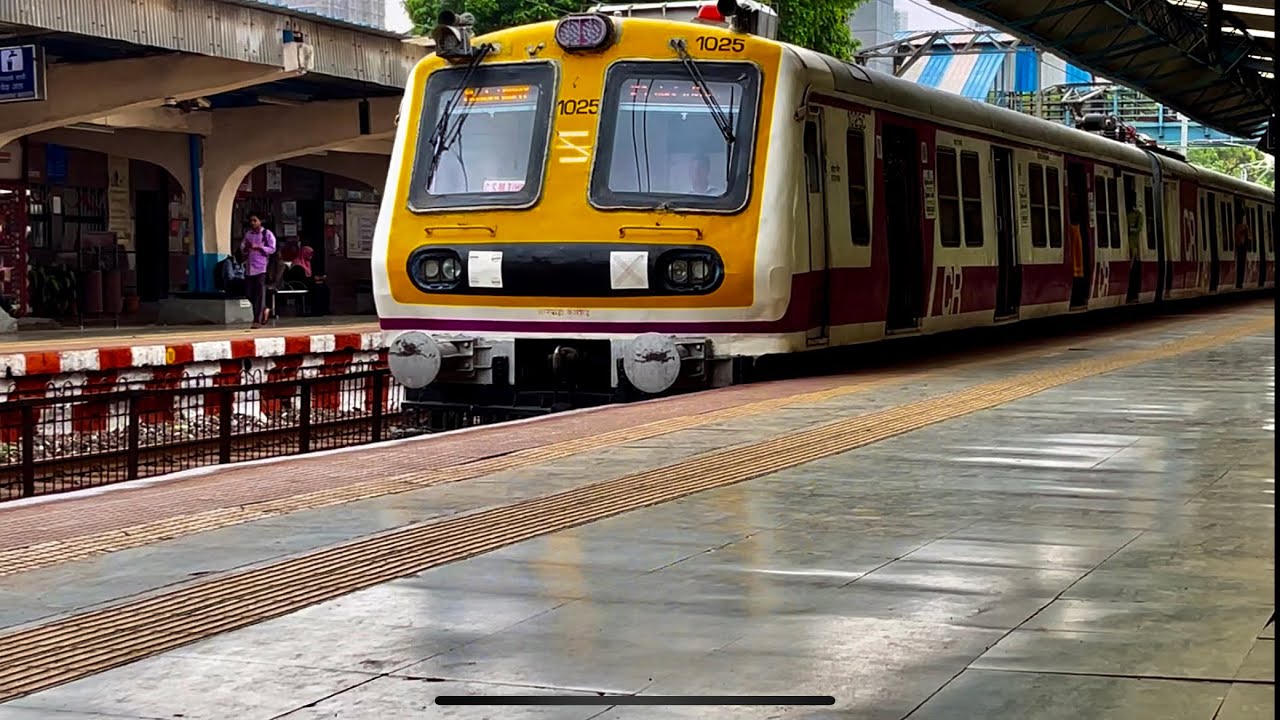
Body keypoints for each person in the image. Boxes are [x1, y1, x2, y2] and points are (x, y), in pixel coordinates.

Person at [240, 213, 276, 327]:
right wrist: (246, 248)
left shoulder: (267, 234)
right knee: (249, 293)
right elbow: (242, 248)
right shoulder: (248, 234)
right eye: (251, 220)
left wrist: (260, 247)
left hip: (262, 268)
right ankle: (264, 309)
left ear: (260, 221)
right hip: (250, 268)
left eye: (255, 220)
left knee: (259, 294)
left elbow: (272, 249)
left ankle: (257, 319)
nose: (253, 223)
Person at [1125, 185, 1143, 302]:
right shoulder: (1124, 212)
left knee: (1132, 267)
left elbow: (1139, 228)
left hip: (1133, 245)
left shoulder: (1138, 214)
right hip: (1127, 244)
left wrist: (1129, 229)